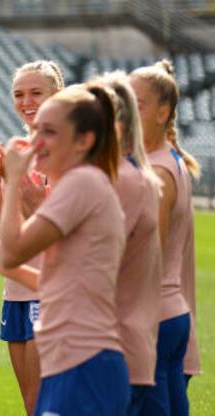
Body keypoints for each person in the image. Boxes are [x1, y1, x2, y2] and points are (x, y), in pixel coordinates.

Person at [0, 83, 130, 415]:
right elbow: (63, 283)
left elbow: (15, 248)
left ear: (84, 141)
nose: (37, 140)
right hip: (76, 351)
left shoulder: (80, 183)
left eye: (50, 132)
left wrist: (12, 180)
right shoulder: (86, 180)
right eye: (38, 129)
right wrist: (7, 267)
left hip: (83, 353)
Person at [0, 60, 64, 415]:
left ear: (57, 95)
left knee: (49, 403)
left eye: (35, 93)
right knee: (31, 404)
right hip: (17, 290)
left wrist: (17, 178)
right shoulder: (20, 148)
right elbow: (2, 228)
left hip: (51, 286)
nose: (26, 101)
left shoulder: (66, 149)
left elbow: (55, 223)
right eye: (19, 94)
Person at [131, 60, 198, 415]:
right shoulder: (171, 159)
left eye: (136, 104)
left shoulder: (155, 170)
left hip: (152, 316)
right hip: (172, 313)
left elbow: (148, 256)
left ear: (163, 112)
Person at [98, 71, 163, 416]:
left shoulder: (122, 180)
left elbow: (92, 267)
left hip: (114, 343)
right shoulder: (131, 175)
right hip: (124, 339)